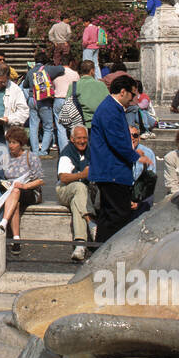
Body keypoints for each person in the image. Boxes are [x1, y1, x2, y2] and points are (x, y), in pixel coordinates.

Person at [88, 74, 140, 245]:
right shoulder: (110, 109)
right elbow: (116, 140)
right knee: (119, 214)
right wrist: (137, 157)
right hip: (112, 170)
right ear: (123, 92)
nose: (133, 99)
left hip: (110, 170)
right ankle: (109, 251)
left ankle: (100, 250)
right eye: (132, 95)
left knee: (108, 214)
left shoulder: (111, 108)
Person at [0, 126, 43, 253]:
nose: (10, 146)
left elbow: (40, 180)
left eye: (14, 143)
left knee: (15, 192)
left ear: (21, 143)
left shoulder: (31, 157)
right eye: (9, 142)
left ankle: (4, 222)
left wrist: (24, 186)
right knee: (15, 200)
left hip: (29, 190)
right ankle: (16, 238)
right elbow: (0, 176)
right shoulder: (5, 157)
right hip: (11, 192)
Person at [56, 125, 92, 260]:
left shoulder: (90, 151)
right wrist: (82, 174)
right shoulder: (67, 153)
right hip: (64, 189)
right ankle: (90, 221)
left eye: (85, 138)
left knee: (78, 200)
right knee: (79, 187)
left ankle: (80, 243)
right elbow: (63, 177)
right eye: (79, 138)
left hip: (82, 193)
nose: (82, 141)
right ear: (72, 139)